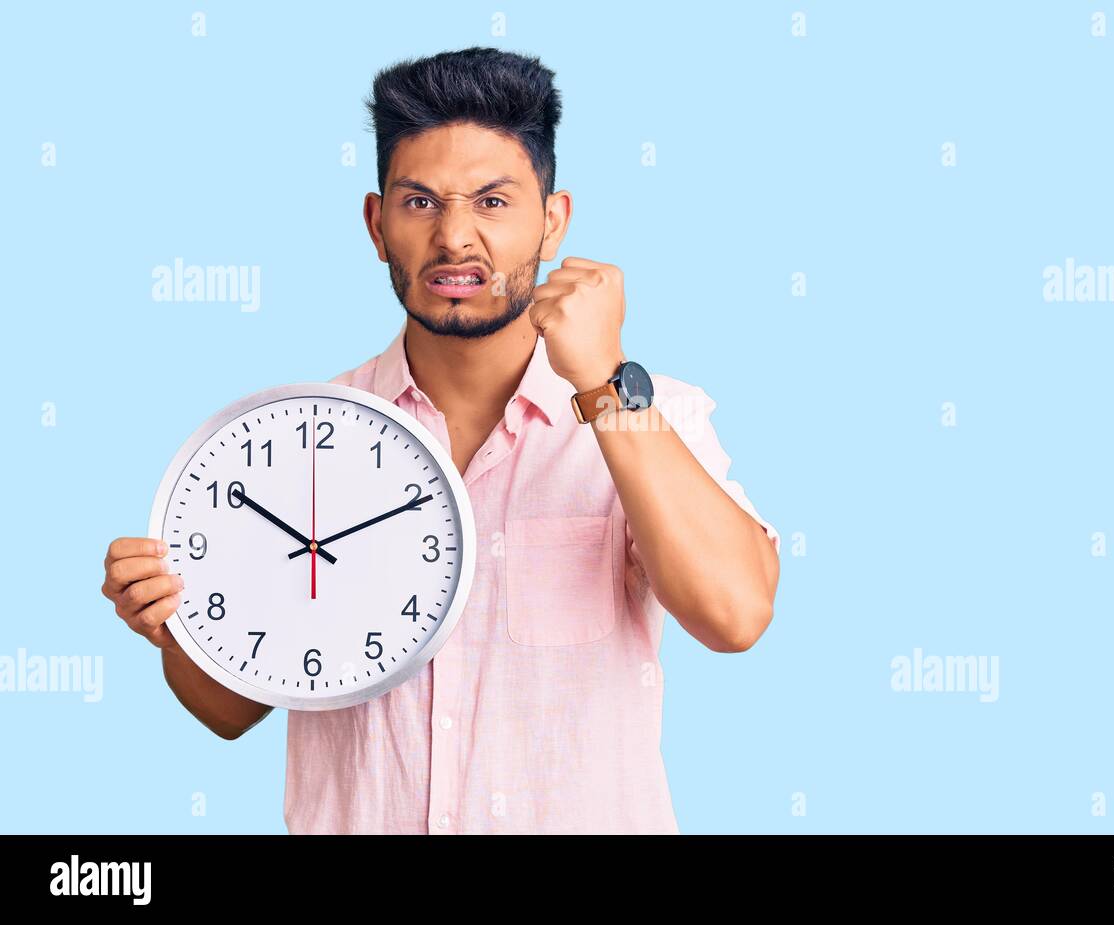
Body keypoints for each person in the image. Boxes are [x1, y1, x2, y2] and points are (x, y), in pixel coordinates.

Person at [101, 46, 780, 834]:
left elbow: (735, 614)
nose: (455, 239)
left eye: (493, 202)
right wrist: (170, 628)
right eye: (420, 203)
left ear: (552, 220)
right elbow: (229, 707)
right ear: (376, 224)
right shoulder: (295, 441)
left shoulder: (647, 415)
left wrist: (602, 380)